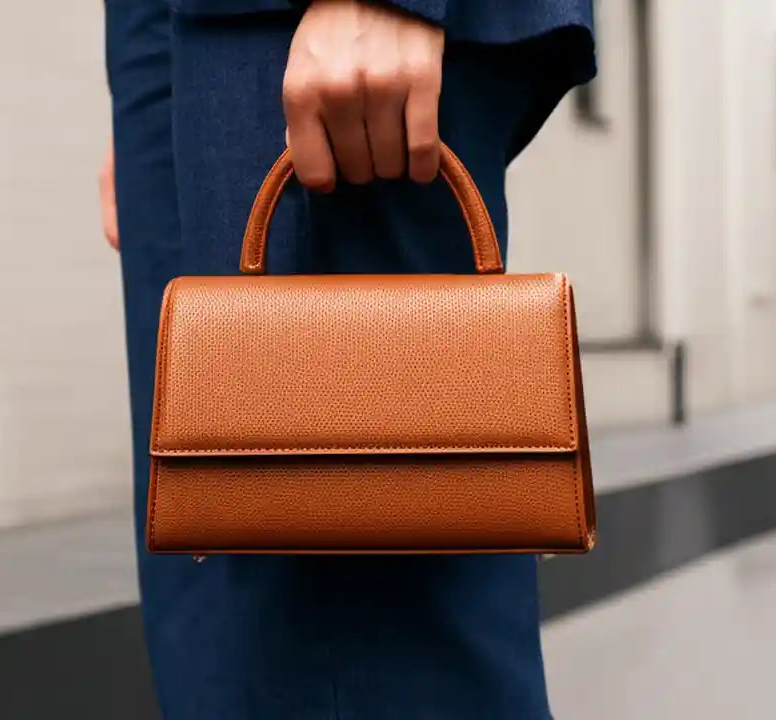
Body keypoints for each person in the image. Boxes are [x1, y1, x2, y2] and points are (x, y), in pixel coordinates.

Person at [100, 1, 596, 717]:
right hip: (183, 37)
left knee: (379, 627)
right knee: (226, 634)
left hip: (310, 26)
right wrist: (157, 89)